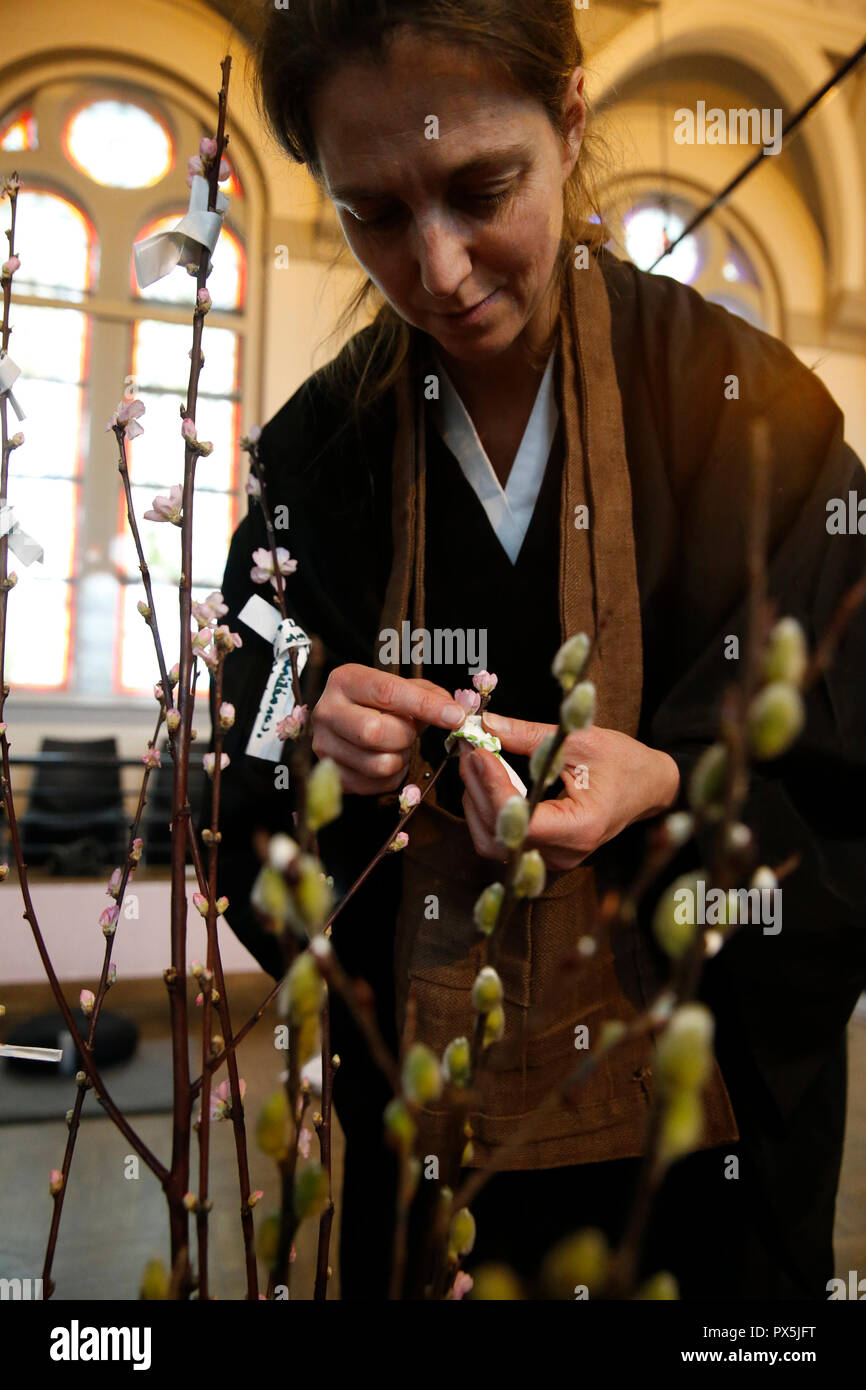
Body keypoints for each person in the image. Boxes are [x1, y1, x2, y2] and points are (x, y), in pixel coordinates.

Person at [205, 1, 866, 1300]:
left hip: (699, 1135)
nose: (438, 269)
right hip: (433, 1119)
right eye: (374, 213)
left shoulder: (750, 413)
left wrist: (672, 773)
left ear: (568, 119)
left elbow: (842, 725)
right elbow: (248, 731)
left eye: (478, 189)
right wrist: (313, 730)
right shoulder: (316, 458)